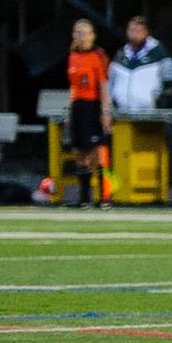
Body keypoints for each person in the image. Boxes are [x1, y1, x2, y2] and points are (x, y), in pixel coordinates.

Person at [63, 19, 113, 207]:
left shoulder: (97, 56)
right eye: (77, 32)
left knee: (97, 152)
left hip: (93, 106)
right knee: (79, 152)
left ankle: (104, 198)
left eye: (85, 33)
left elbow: (103, 85)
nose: (81, 36)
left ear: (93, 35)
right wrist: (69, 112)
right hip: (78, 107)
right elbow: (73, 88)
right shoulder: (72, 56)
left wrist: (105, 111)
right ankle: (84, 198)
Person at [110, 16, 172, 113]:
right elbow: (113, 79)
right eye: (132, 30)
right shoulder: (122, 54)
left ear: (146, 32)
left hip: (150, 114)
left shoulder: (158, 52)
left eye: (139, 31)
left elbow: (170, 81)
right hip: (123, 113)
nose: (135, 34)